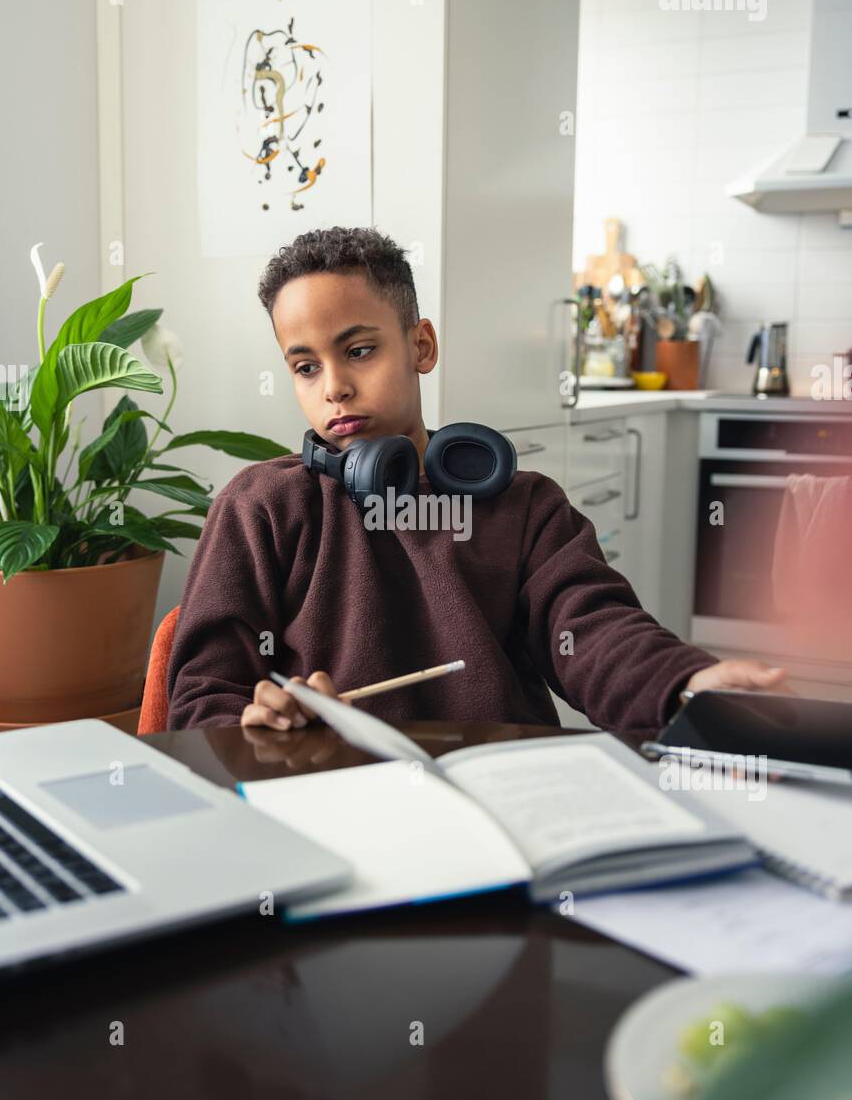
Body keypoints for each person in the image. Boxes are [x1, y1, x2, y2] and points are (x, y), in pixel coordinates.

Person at [166, 227, 788, 733]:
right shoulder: (260, 507)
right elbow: (202, 695)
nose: (334, 387)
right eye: (305, 366)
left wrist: (682, 681)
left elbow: (593, 629)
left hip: (504, 795)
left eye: (359, 351)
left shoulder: (526, 506)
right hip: (333, 800)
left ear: (422, 346)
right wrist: (256, 722)